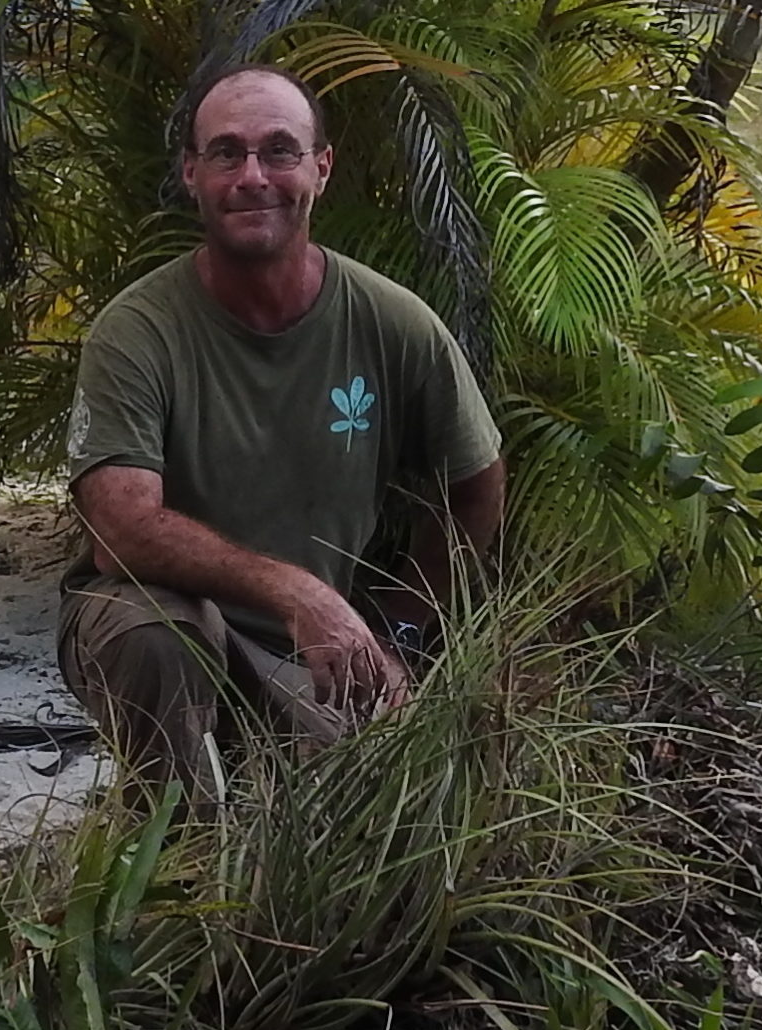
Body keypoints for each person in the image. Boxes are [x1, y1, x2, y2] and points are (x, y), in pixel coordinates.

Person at [58, 64, 505, 798]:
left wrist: (402, 625)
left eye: (279, 150)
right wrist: (297, 593)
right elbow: (121, 531)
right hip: (159, 613)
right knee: (155, 640)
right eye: (226, 153)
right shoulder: (137, 331)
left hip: (312, 649)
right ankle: (168, 847)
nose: (253, 176)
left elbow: (477, 480)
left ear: (321, 168)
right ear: (192, 173)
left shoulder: (392, 323)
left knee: (387, 803)